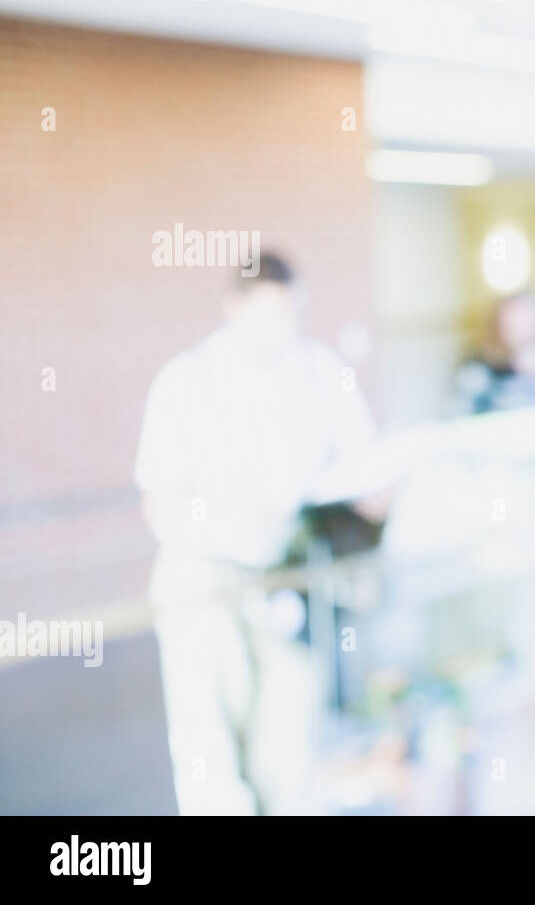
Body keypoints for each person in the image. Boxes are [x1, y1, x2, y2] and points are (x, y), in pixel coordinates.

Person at [134, 252, 384, 815]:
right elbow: (159, 498)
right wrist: (233, 523)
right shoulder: (188, 378)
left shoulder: (319, 370)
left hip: (288, 571)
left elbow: (363, 463)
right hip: (205, 575)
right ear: (235, 308)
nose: (284, 328)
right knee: (211, 740)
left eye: (292, 314)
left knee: (290, 734)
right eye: (271, 313)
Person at [453, 289, 535, 415]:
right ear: (499, 328)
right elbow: (458, 418)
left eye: (528, 320)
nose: (522, 330)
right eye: (512, 324)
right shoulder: (478, 376)